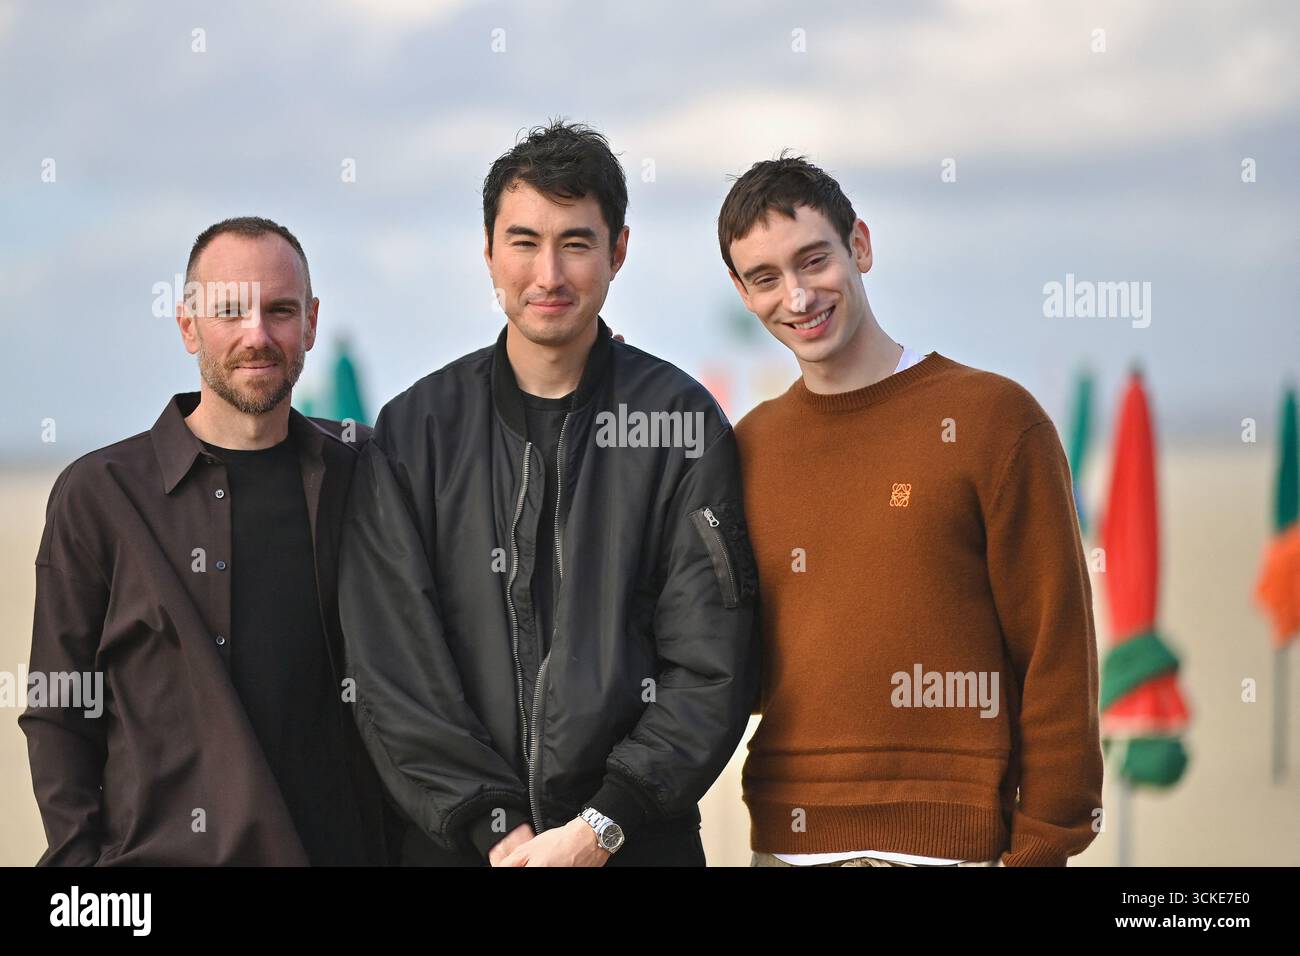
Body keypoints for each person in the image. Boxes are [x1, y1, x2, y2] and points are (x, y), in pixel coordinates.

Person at [338, 120, 759, 866]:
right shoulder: (417, 430)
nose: (549, 275)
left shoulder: (678, 424)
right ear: (489, 254)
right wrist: (495, 828)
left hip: (636, 845)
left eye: (576, 242)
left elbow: (710, 662)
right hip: (459, 848)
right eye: (525, 241)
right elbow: (391, 664)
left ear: (617, 251)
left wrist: (600, 827)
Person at [718, 154, 1104, 867]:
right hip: (785, 844)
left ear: (859, 245)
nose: (798, 297)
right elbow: (731, 660)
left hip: (958, 848)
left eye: (814, 260)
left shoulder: (994, 419)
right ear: (743, 293)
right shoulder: (749, 447)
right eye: (766, 278)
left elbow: (1057, 650)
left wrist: (1046, 843)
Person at [20, 216, 392, 865]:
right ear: (188, 325)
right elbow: (58, 710)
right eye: (230, 311)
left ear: (309, 322)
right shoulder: (100, 497)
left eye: (280, 311)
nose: (258, 336)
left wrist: (590, 382)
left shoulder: (365, 472)